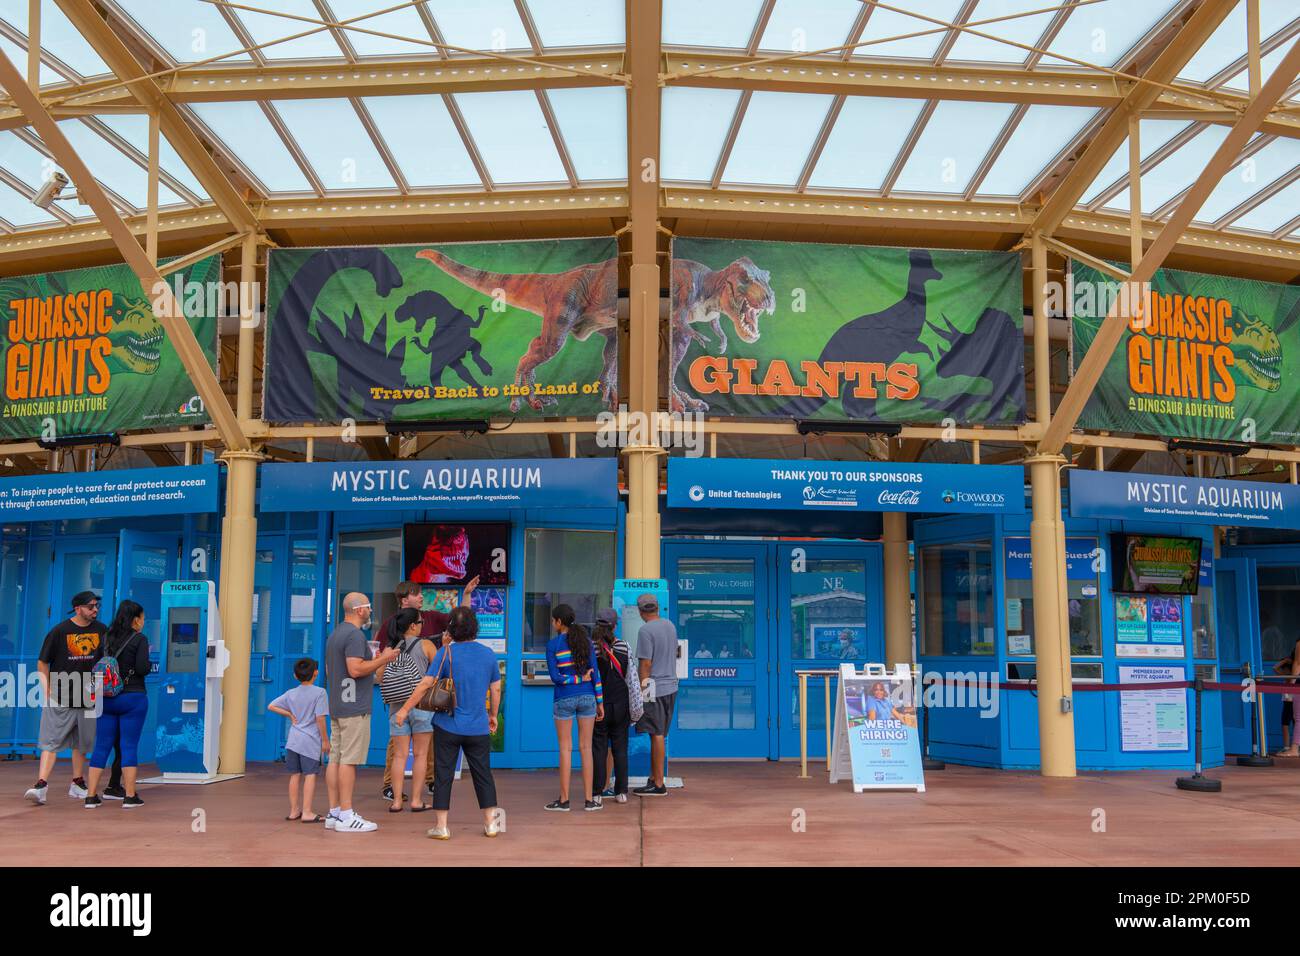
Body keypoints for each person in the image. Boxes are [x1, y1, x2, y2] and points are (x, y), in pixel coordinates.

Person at [395, 607, 502, 840]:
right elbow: (495, 688)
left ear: (451, 629)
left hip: (448, 725)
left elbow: (425, 684)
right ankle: (491, 824)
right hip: (478, 727)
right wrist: (492, 714)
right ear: (475, 627)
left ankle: (442, 827)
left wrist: (404, 710)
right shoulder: (488, 655)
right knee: (483, 774)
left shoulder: (446, 653)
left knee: (443, 774)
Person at [377, 577, 477, 802]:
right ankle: (398, 790)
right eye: (417, 593)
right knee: (411, 748)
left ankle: (423, 785)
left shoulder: (430, 616)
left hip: (398, 703)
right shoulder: (396, 627)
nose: (422, 596)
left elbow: (459, 620)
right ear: (404, 600)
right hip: (421, 699)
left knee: (407, 749)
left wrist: (467, 596)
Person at [324, 592, 397, 833]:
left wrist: (374, 661)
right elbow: (355, 669)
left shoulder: (335, 634)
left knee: (335, 759)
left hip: (337, 704)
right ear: (358, 610)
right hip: (354, 706)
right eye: (368, 607)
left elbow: (330, 669)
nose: (370, 611)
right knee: (349, 760)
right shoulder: (355, 635)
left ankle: (334, 812)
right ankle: (346, 814)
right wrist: (383, 658)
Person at [26, 591, 106, 806]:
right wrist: (47, 690)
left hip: (88, 696)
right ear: (78, 608)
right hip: (61, 695)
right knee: (51, 741)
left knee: (82, 743)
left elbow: (106, 660)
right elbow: (42, 662)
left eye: (97, 606)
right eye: (91, 606)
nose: (95, 610)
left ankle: (78, 783)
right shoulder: (60, 631)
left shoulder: (101, 630)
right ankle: (41, 785)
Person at [84, 600, 151, 809]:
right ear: (135, 619)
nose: (143, 621)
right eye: (142, 617)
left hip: (106, 699)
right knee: (128, 745)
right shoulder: (139, 639)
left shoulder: (105, 639)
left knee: (102, 745)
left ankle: (91, 796)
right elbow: (142, 668)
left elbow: (93, 668)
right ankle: (130, 796)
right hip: (132, 698)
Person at [545, 603, 603, 812]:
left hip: (564, 699)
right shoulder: (586, 642)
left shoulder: (553, 645)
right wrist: (600, 701)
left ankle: (564, 800)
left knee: (565, 749)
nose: (553, 624)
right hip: (588, 697)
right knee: (586, 748)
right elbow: (595, 674)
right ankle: (589, 800)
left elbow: (555, 677)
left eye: (553, 620)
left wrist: (574, 679)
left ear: (559, 622)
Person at [379, 608, 435, 813]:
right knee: (420, 755)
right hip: (421, 707)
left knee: (399, 756)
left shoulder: (391, 648)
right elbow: (440, 669)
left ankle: (396, 802)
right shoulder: (426, 645)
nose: (422, 626)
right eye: (420, 623)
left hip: (396, 709)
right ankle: (416, 801)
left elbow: (379, 677)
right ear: (413, 626)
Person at [268, 657, 330, 823]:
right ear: (315, 673)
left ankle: (294, 810)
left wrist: (289, 714)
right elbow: (320, 719)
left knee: (295, 775)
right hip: (310, 741)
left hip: (293, 740)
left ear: (295, 676)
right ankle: (307, 812)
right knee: (310, 774)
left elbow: (271, 705)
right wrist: (325, 740)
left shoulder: (290, 693)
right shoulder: (320, 693)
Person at [633, 593, 678, 797]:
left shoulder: (645, 631)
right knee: (660, 733)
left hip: (655, 688)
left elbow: (645, 664)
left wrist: (642, 692)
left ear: (640, 611)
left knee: (656, 734)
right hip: (671, 687)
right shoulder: (670, 625)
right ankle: (654, 778)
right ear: (657, 608)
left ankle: (658, 784)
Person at [591, 608, 630, 805]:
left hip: (600, 705)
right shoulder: (624, 646)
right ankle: (621, 792)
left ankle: (597, 793)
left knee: (599, 749)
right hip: (621, 704)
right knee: (620, 748)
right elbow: (630, 678)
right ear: (615, 626)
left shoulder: (593, 648)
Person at [1276, 638, 1299, 758]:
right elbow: (1275, 668)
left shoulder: (1293, 674)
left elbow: (1296, 666)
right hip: (1287, 701)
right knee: (1285, 723)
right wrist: (1285, 661)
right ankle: (1287, 746)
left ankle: (1294, 747)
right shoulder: (1287, 674)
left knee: (1296, 722)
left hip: (1292, 699)